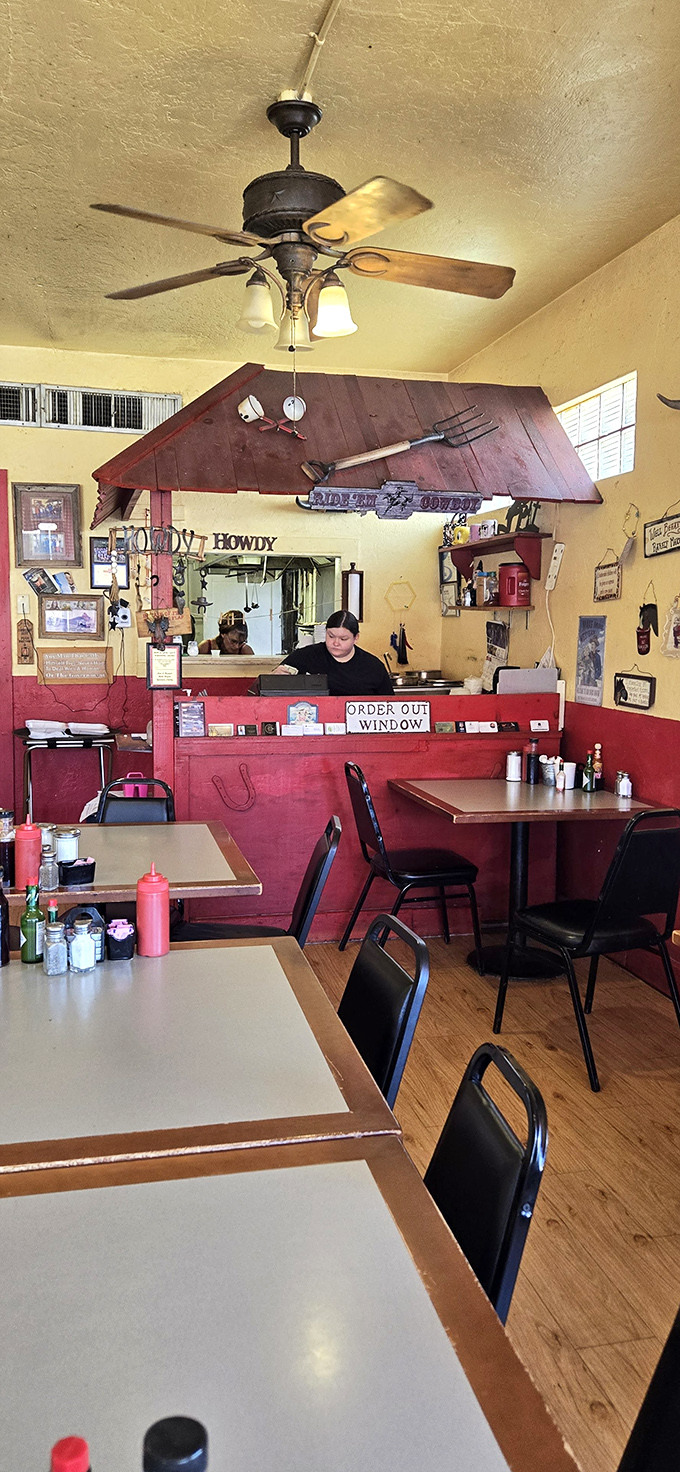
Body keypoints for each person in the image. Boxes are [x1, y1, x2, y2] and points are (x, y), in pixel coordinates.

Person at [274, 610, 394, 697]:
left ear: (356, 638)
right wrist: (274, 677)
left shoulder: (373, 667)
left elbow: (389, 705)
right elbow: (270, 687)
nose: (336, 643)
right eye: (331, 636)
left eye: (343, 639)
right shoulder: (305, 656)